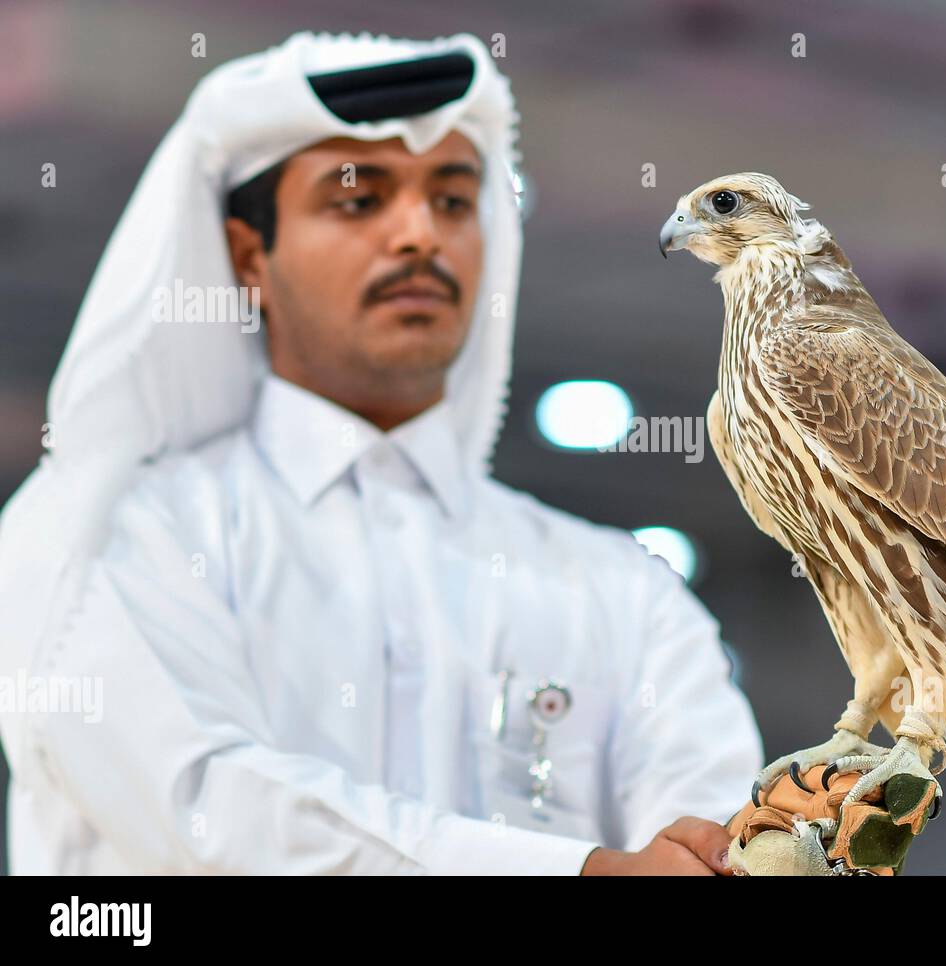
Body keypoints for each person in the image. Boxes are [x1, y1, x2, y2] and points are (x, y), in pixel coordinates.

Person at [0, 31, 762, 875]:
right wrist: (575, 871)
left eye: (452, 199)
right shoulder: (108, 535)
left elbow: (715, 832)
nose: (419, 237)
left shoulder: (624, 592)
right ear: (250, 256)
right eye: (358, 200)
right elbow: (208, 813)